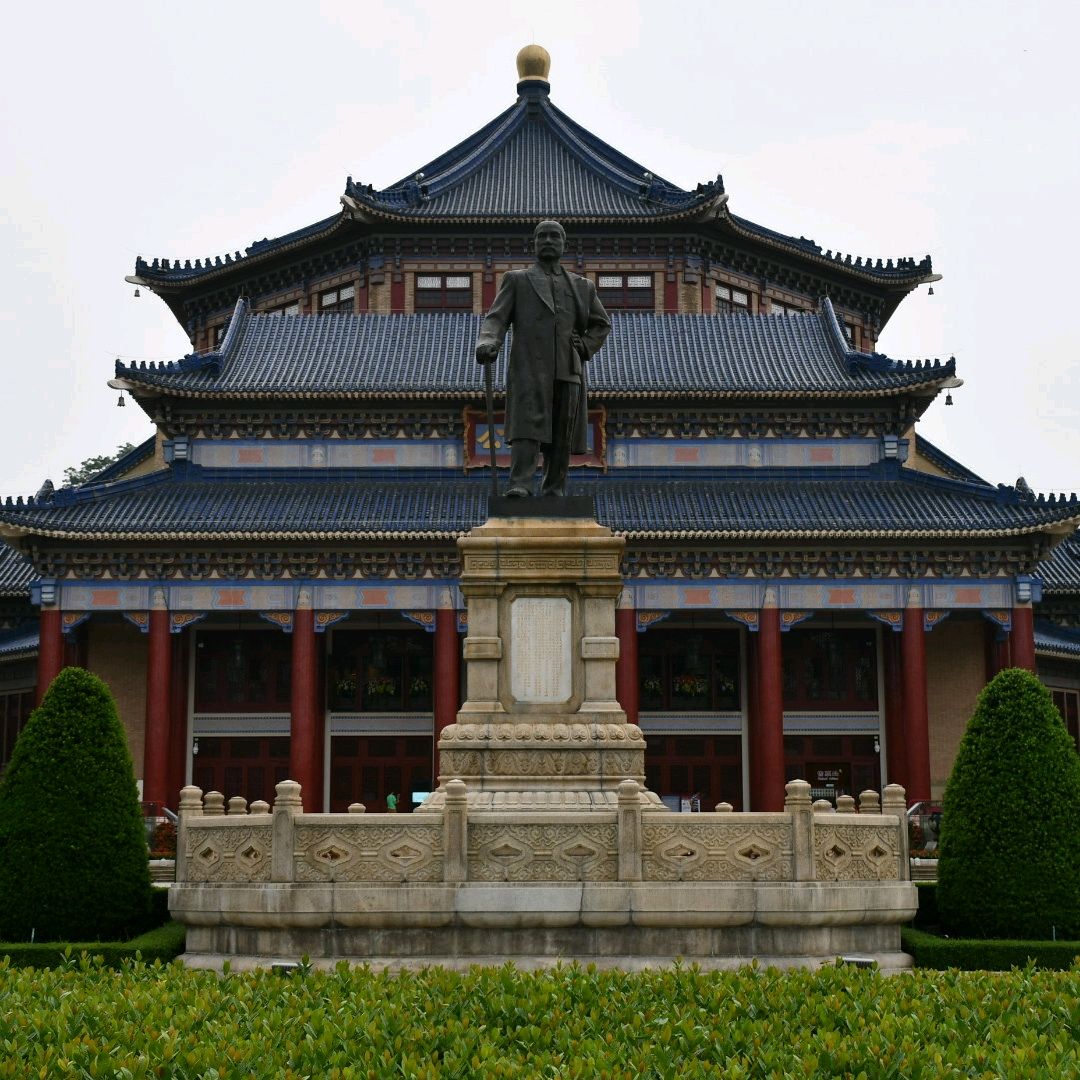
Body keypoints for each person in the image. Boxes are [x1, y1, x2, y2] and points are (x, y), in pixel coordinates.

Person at [475, 220, 611, 497]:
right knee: (527, 427)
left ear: (564, 244)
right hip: (529, 367)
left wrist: (584, 346)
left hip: (567, 367)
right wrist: (488, 342)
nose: (548, 241)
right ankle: (520, 484)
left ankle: (554, 488)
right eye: (542, 237)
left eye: (554, 236)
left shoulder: (582, 287)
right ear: (534, 244)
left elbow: (602, 323)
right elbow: (496, 318)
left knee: (562, 430)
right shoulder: (517, 280)